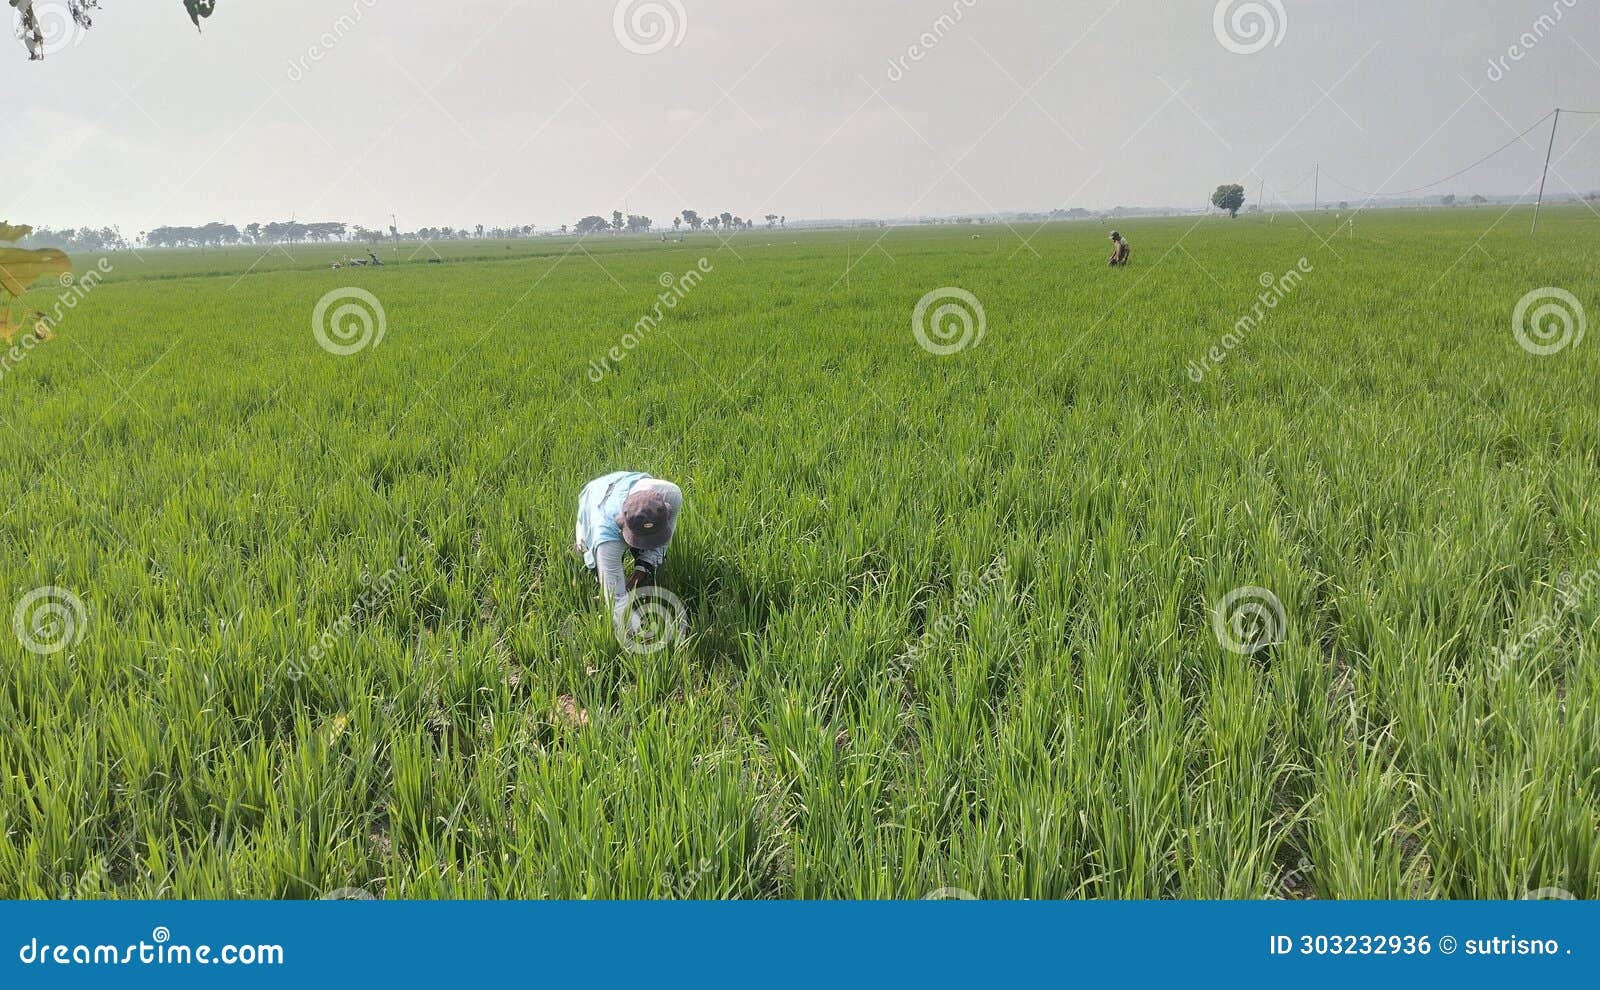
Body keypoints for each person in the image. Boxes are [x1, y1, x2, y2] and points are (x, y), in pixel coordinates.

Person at [574, 471, 682, 619]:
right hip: (593, 497)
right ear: (623, 526)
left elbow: (660, 546)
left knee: (654, 560)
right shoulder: (606, 539)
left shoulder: (670, 494)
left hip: (622, 482)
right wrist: (637, 631)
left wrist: (637, 578)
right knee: (586, 554)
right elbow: (616, 602)